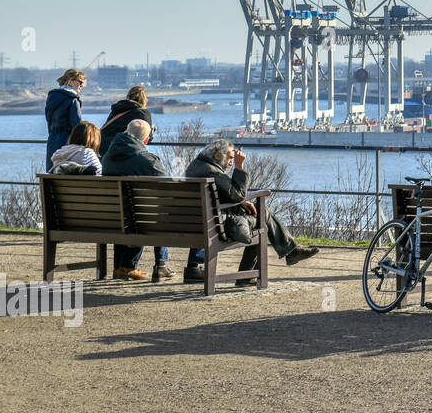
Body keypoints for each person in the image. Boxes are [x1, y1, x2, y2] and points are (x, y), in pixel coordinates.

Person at [182, 139, 319, 286]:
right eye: (230, 157)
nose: (231, 161)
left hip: (195, 223)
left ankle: (285, 255)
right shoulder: (212, 171)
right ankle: (285, 254)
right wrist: (239, 167)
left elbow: (220, 196)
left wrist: (240, 202)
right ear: (216, 156)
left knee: (259, 215)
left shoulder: (196, 167)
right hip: (214, 226)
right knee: (260, 216)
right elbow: (238, 194)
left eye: (233, 159)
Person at [100, 119, 174, 281]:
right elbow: (167, 189)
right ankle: (160, 264)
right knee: (156, 211)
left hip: (112, 217)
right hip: (139, 219)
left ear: (126, 133)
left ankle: (122, 266)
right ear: (146, 140)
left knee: (130, 212)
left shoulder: (107, 158)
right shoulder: (148, 161)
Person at [44, 69, 86, 171]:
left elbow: (49, 121)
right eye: (80, 82)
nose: (82, 85)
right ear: (70, 81)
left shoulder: (52, 98)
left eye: (84, 83)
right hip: (68, 144)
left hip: (52, 141)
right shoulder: (72, 99)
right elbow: (77, 126)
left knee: (52, 171)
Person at [99, 85, 153, 157]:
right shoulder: (143, 113)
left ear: (128, 96)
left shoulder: (118, 108)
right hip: (123, 150)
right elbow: (146, 137)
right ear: (144, 99)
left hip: (104, 147)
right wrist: (151, 130)